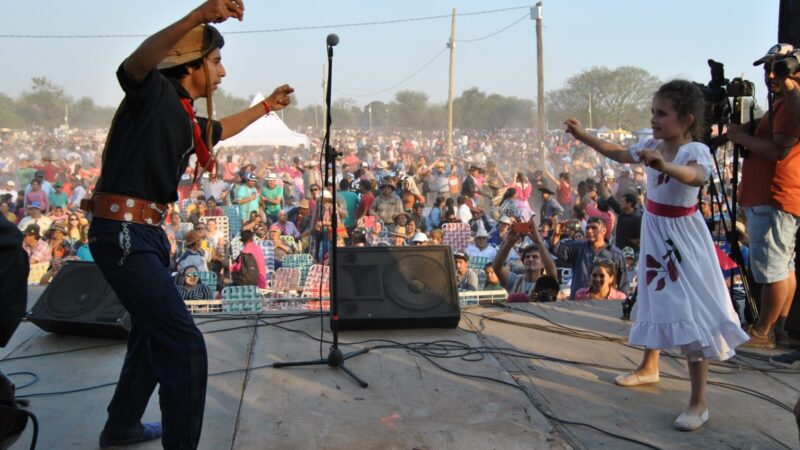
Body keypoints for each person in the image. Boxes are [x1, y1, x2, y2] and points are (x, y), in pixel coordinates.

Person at [85, 3, 294, 447]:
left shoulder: (180, 116)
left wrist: (265, 107)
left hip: (140, 235)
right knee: (184, 346)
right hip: (123, 234)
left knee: (149, 331)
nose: (222, 72)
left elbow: (218, 128)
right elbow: (133, 65)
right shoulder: (152, 93)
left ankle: (121, 425)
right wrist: (199, 16)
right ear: (188, 65)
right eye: (215, 61)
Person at [564, 79, 749, 431]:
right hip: (656, 230)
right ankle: (650, 366)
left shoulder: (693, 151)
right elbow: (616, 152)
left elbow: (695, 178)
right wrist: (582, 135)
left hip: (682, 238)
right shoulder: (652, 145)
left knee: (689, 310)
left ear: (687, 120)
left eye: (661, 114)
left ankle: (699, 402)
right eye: (652, 112)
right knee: (652, 297)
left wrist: (665, 168)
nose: (654, 119)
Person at [726, 44, 800, 350]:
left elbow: (778, 149)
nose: (770, 75)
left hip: (774, 196)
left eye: (777, 68)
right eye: (767, 68)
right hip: (775, 196)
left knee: (772, 269)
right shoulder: (783, 103)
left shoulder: (792, 103)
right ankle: (777, 328)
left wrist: (740, 138)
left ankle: (763, 331)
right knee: (783, 267)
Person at [551, 216, 628, 299]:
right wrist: (556, 234)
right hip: (579, 303)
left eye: (593, 228)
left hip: (606, 305)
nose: (589, 230)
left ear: (604, 231)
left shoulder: (616, 254)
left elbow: (623, 285)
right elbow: (555, 248)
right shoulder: (578, 248)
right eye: (587, 228)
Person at [492, 218, 558, 298]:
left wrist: (539, 242)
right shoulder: (515, 281)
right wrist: (509, 243)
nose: (530, 259)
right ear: (523, 262)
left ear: (543, 264)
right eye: (527, 257)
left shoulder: (545, 283)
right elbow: (497, 268)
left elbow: (552, 273)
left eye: (535, 257)